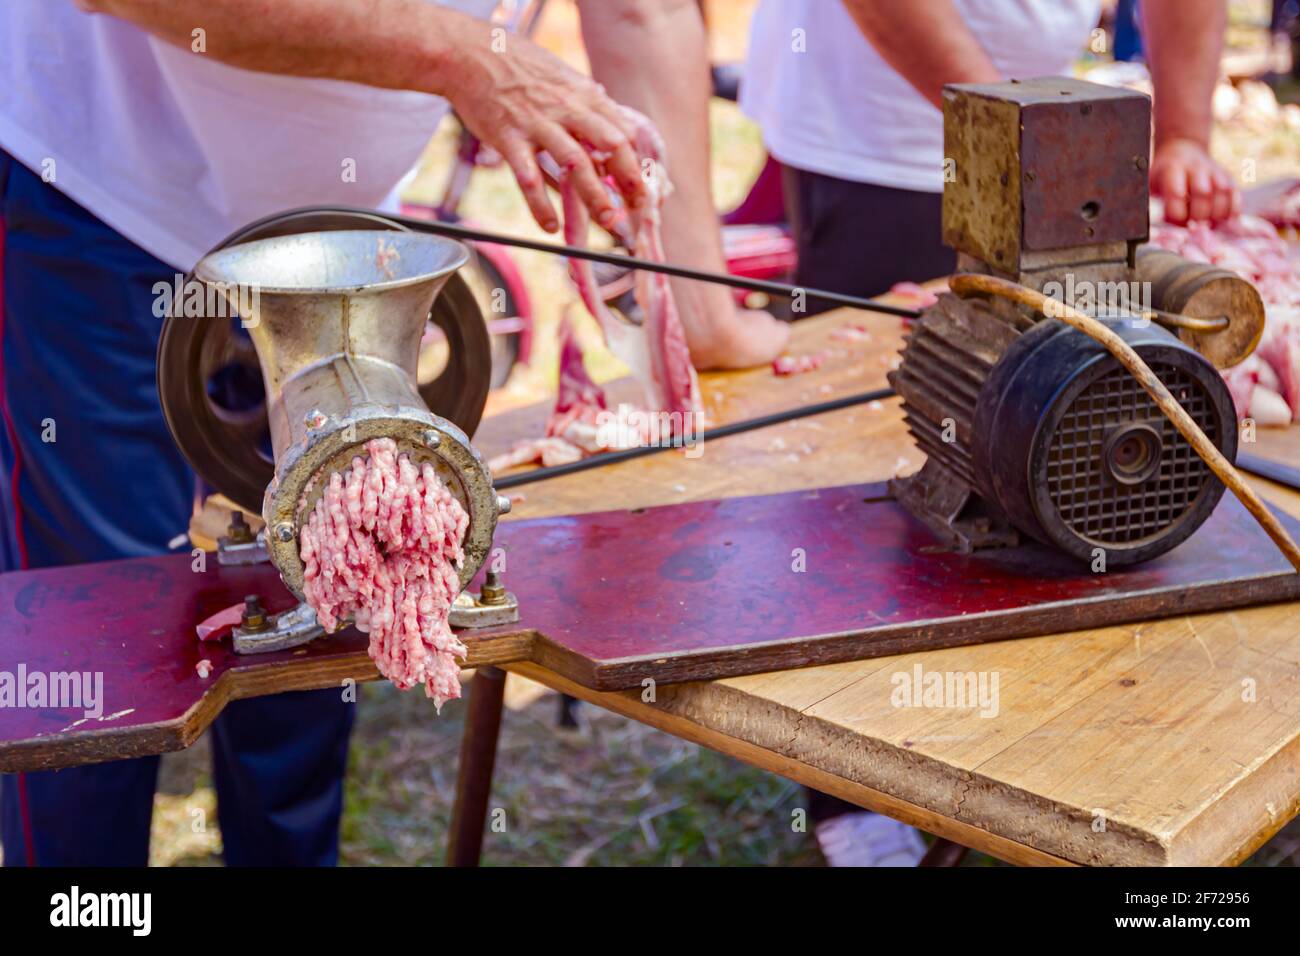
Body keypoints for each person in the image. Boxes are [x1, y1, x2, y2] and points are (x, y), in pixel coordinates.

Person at [0, 0, 780, 867]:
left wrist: (700, 311)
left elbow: (644, 10)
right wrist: (465, 58)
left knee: (315, 573)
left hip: (335, 214)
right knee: (96, 625)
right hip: (105, 185)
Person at [740, 0, 1240, 865]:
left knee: (1071, 487)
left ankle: (1064, 759)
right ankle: (851, 787)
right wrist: (1019, 134)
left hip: (1064, 133)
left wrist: (1184, 131)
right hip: (876, 133)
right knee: (856, 533)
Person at [741, 0, 1241, 315]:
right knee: (877, 379)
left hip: (1039, 143)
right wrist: (1010, 127)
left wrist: (1183, 136)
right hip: (878, 144)